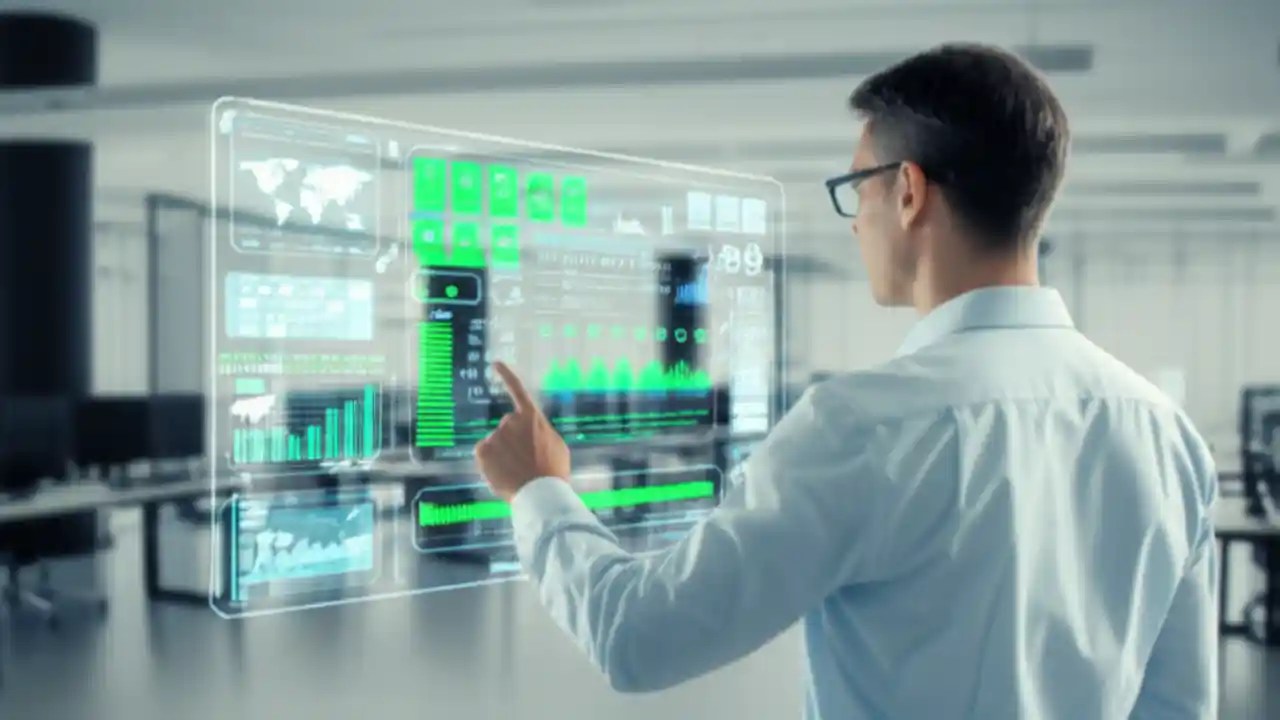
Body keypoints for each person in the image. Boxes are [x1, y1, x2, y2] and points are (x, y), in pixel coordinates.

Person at [474, 43, 1218, 719]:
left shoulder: (862, 428)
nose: (855, 221)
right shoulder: (1165, 433)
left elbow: (638, 639)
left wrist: (540, 489)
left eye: (856, 186)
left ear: (907, 192)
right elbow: (1179, 708)